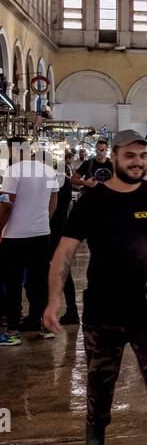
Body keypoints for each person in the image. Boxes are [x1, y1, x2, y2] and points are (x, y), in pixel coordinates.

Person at [43, 129, 147, 445]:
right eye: (130, 156)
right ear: (115, 157)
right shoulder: (93, 201)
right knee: (100, 378)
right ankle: (94, 436)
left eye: (142, 156)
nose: (138, 162)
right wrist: (53, 301)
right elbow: (63, 253)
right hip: (103, 308)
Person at [0, 146, 60, 346]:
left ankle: (13, 331)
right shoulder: (50, 172)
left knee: (13, 282)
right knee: (39, 281)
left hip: (14, 236)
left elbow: (7, 205)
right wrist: (42, 222)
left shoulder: (14, 171)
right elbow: (53, 204)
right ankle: (44, 326)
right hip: (42, 235)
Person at [48, 151, 79, 326]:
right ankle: (72, 310)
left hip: (50, 230)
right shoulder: (65, 181)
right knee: (64, 272)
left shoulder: (52, 182)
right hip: (61, 229)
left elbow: (51, 207)